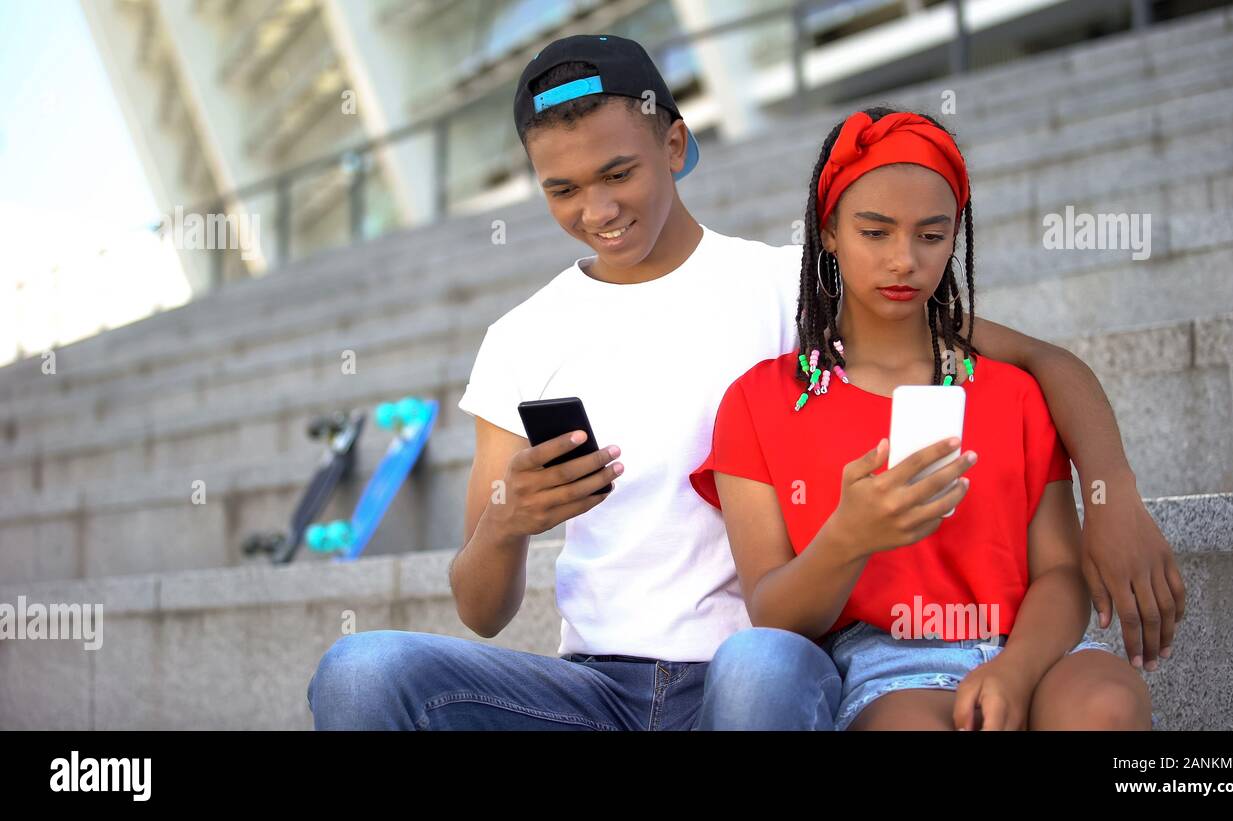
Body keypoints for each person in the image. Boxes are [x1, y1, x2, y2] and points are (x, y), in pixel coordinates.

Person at [307, 35, 1179, 731]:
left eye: (619, 173)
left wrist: (1113, 496)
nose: (597, 210)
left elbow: (1036, 361)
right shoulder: (519, 338)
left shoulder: (794, 286)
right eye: (562, 189)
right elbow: (480, 610)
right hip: (593, 688)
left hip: (763, 666)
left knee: (758, 665)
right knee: (359, 671)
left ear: (675, 143)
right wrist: (508, 522)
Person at [690, 107, 1153, 730]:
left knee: (1108, 704)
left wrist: (1014, 669)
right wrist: (850, 535)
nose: (904, 260)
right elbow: (773, 613)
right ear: (828, 230)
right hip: (888, 666)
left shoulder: (1012, 391)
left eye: (930, 236)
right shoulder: (760, 401)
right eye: (875, 233)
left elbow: (1062, 575)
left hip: (1034, 649)